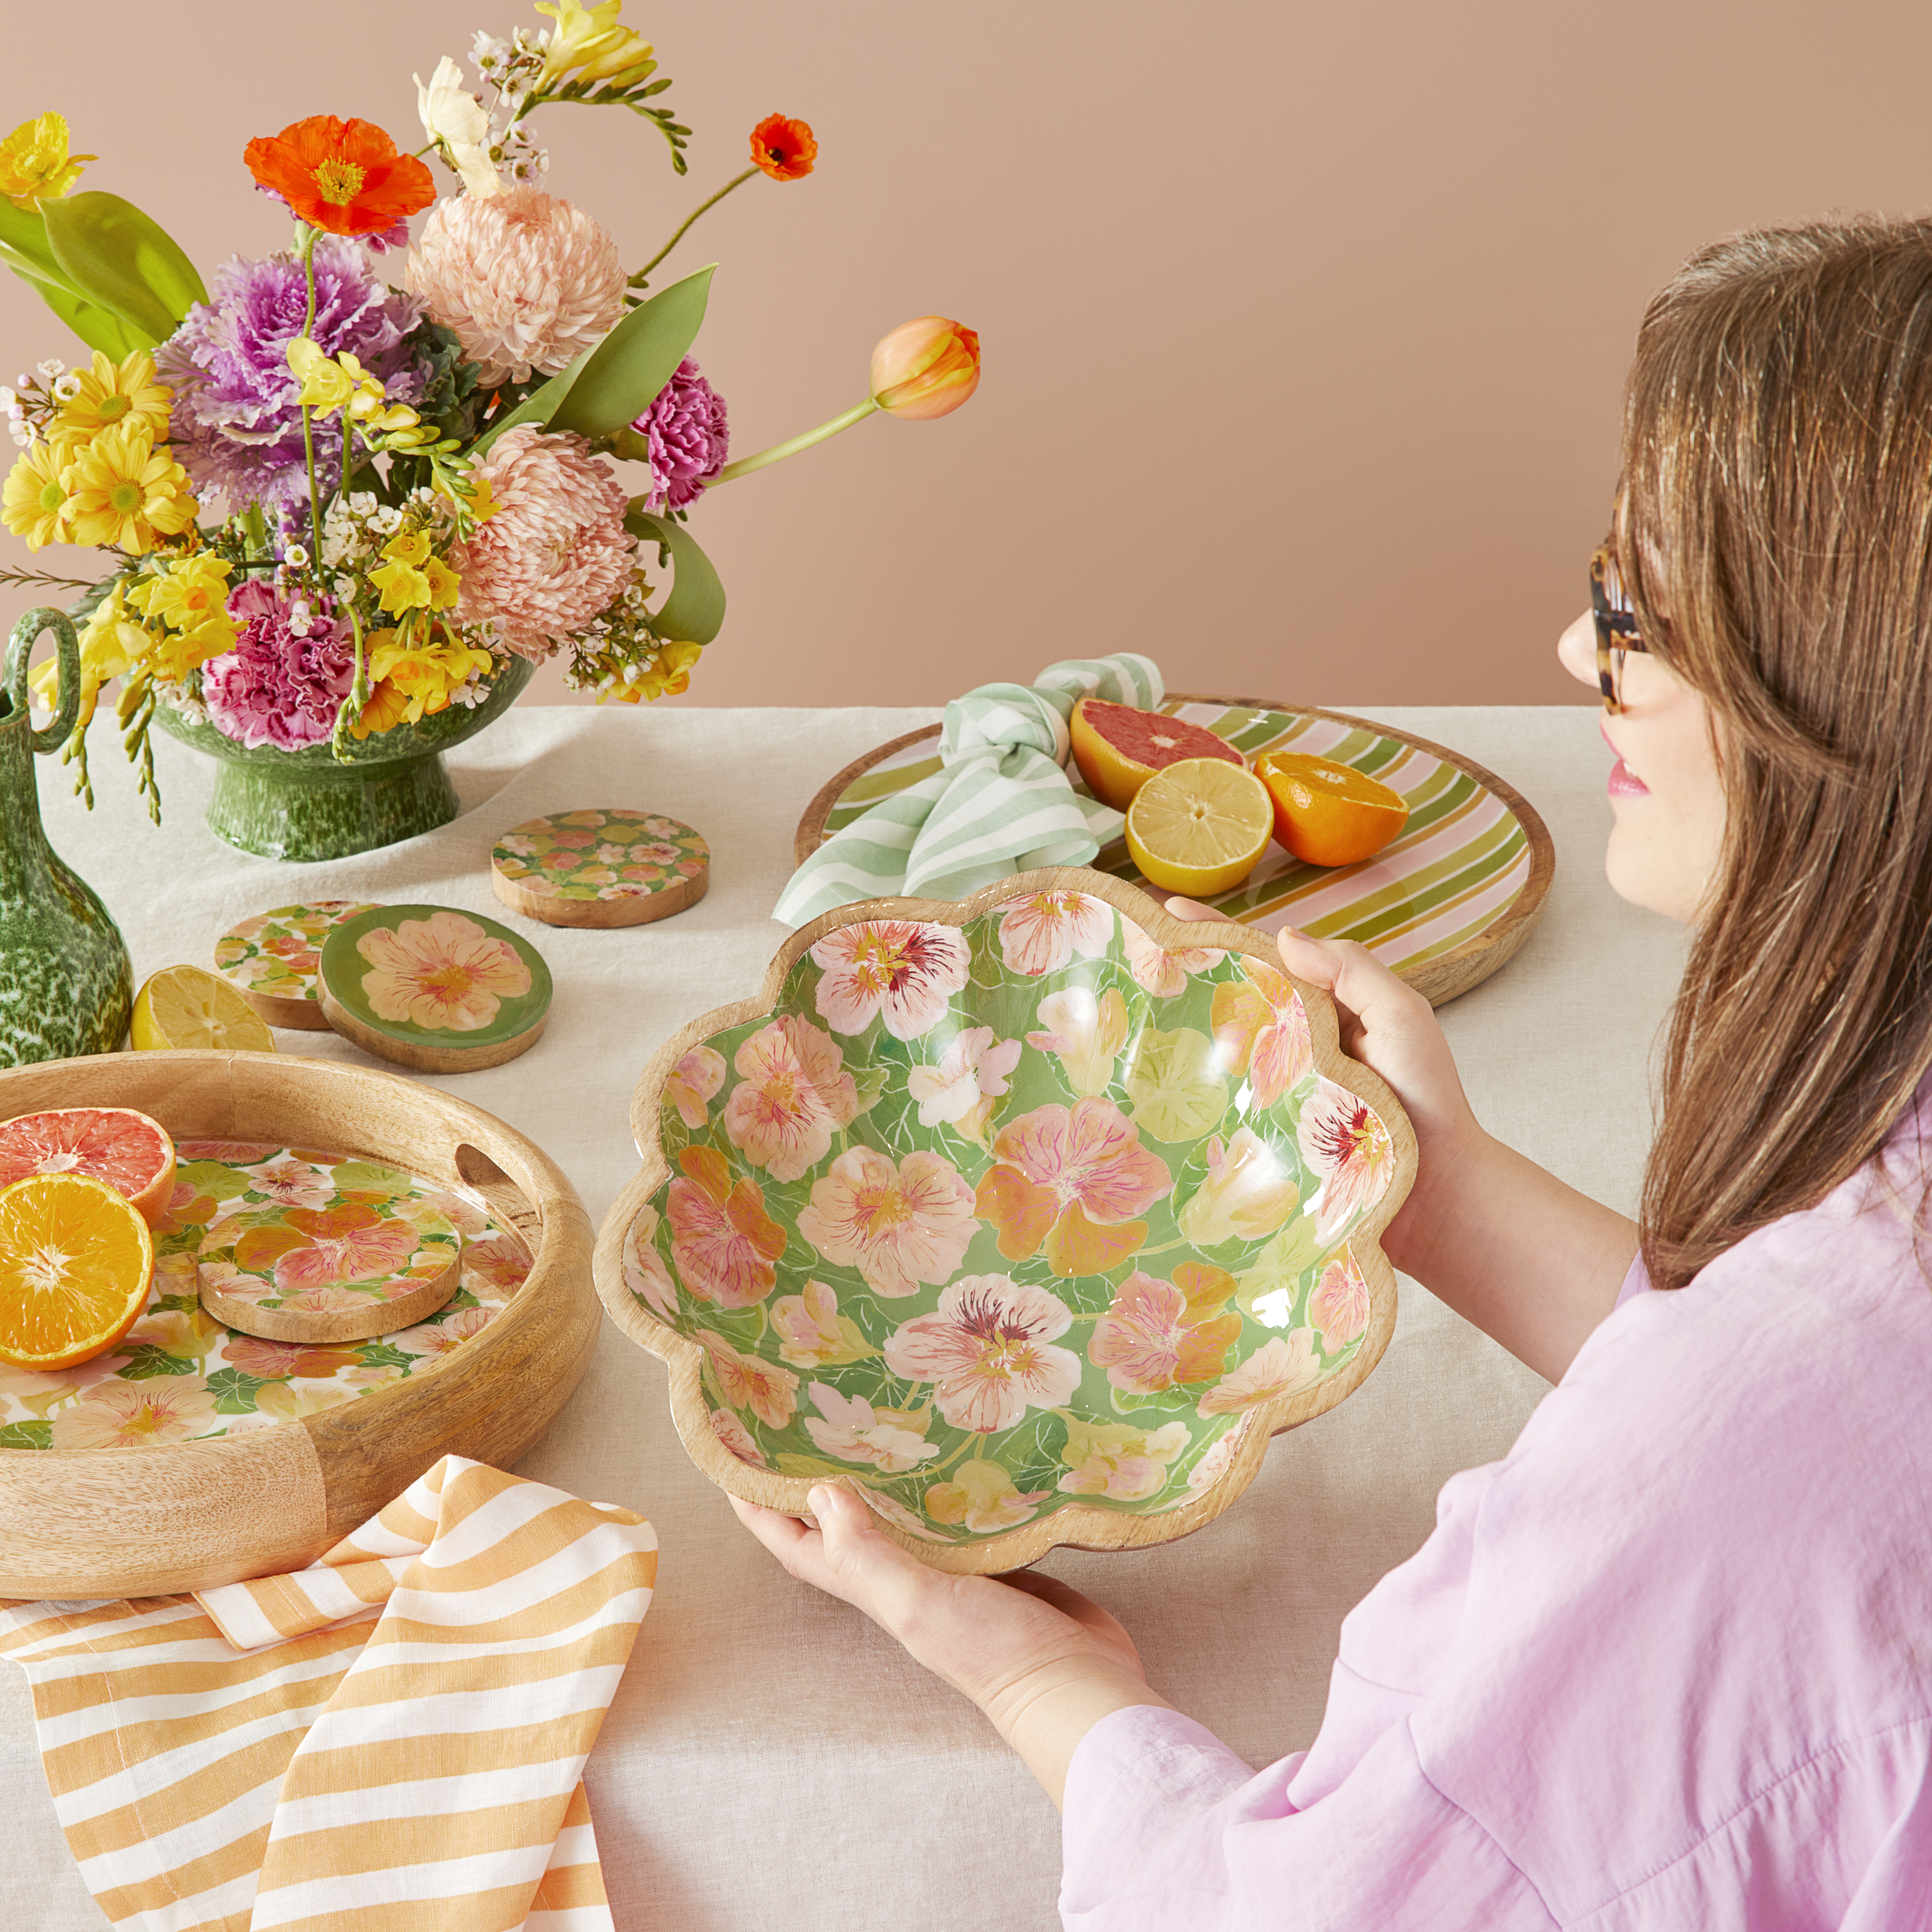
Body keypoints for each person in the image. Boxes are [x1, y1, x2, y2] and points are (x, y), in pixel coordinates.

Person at [733, 216, 1932, 1928]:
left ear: (1854, 689)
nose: (1579, 660)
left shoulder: (1727, 1487)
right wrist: (1435, 1188)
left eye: (1636, 614)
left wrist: (1041, 1687)